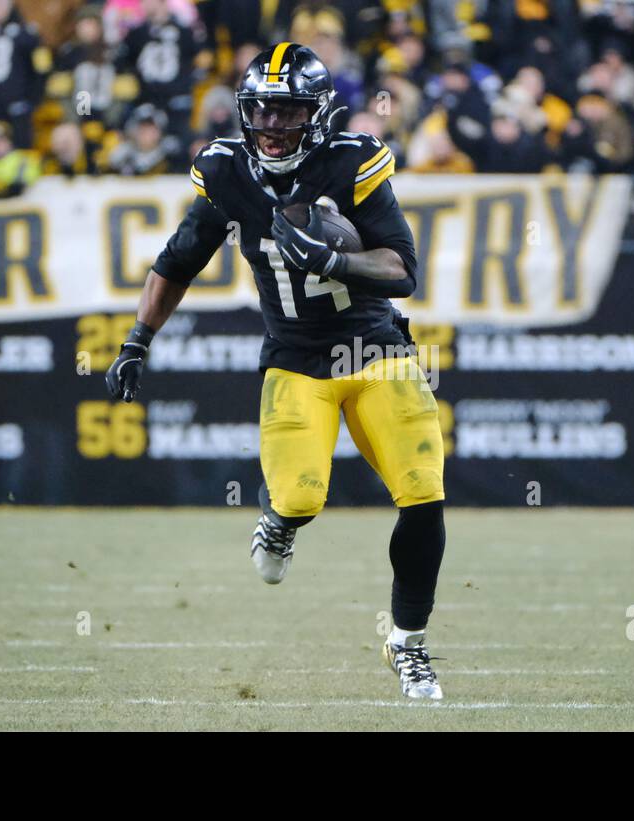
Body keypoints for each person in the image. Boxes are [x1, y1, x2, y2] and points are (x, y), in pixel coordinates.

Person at [104, 43, 447, 700]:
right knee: (298, 495)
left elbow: (403, 271)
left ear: (316, 115)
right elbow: (177, 261)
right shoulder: (227, 172)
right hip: (294, 356)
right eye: (261, 110)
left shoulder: (353, 162)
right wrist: (137, 340)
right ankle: (279, 522)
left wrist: (335, 259)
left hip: (375, 348)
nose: (271, 125)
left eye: (287, 112)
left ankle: (408, 643)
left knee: (422, 489)